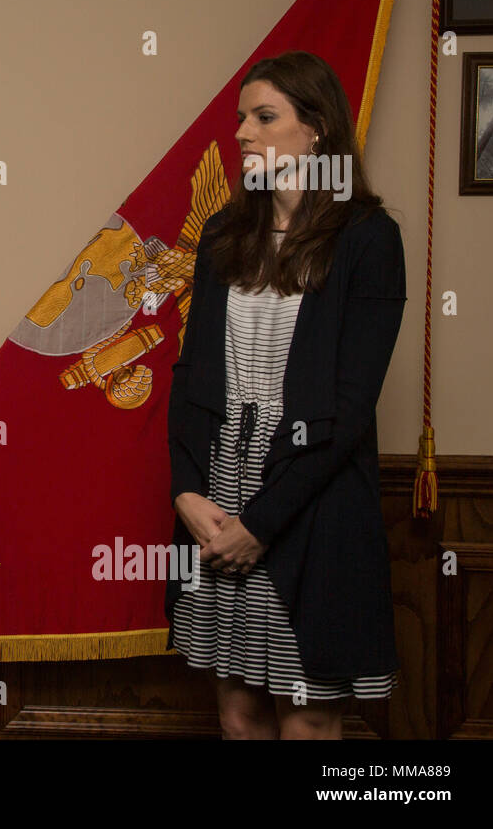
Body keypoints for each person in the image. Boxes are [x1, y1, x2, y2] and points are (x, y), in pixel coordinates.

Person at [165, 50, 406, 739]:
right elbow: (189, 381)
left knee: (306, 722)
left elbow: (350, 410)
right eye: (240, 117)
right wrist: (186, 492)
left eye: (264, 117)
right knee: (239, 714)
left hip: (312, 496)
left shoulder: (368, 240)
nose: (241, 132)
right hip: (218, 490)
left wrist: (262, 524)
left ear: (318, 131)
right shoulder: (224, 233)